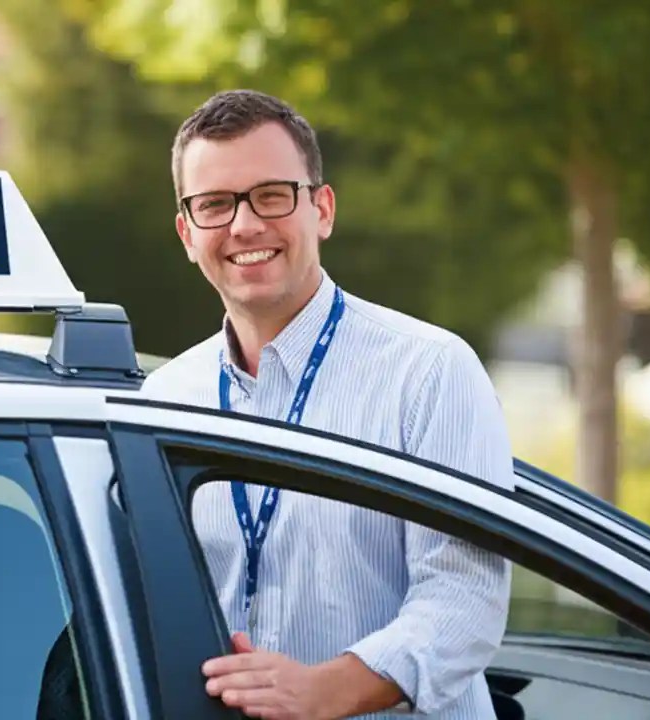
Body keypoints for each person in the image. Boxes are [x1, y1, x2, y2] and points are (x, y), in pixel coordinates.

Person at [138, 89, 514, 719]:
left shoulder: (426, 371)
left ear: (322, 209)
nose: (245, 225)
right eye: (214, 205)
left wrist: (324, 693)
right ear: (186, 232)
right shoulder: (165, 399)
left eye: (272, 195)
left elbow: (464, 599)